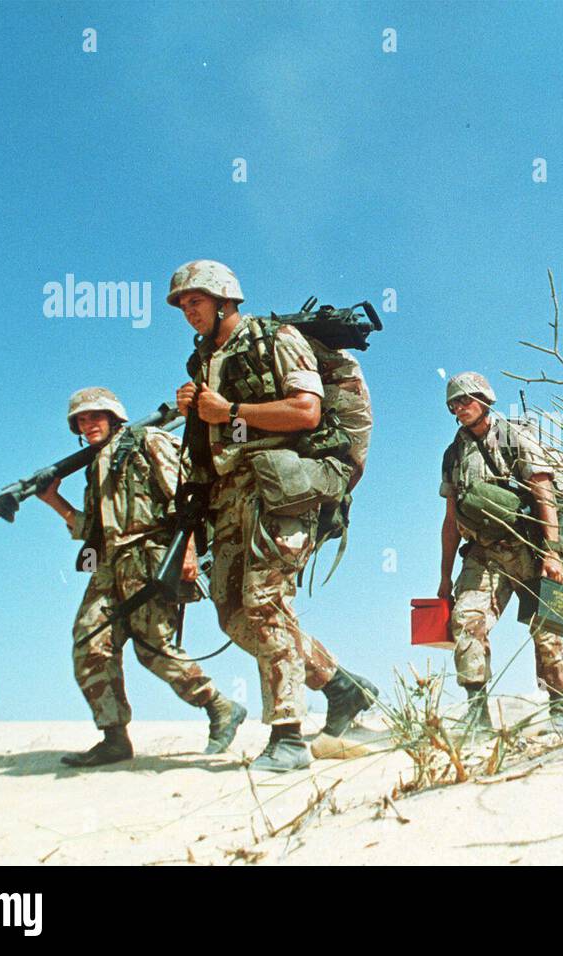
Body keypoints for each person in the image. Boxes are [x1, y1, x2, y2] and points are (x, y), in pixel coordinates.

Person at [170, 260, 378, 772]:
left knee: (266, 605)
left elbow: (306, 411)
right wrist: (198, 414)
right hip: (227, 495)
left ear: (225, 300)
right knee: (233, 615)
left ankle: (287, 737)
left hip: (281, 489)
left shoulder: (277, 339)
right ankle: (341, 686)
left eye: (196, 301)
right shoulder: (204, 361)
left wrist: (230, 412)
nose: (188, 312)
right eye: (183, 305)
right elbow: (209, 444)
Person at [36, 387, 247, 767]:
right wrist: (54, 500)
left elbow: (186, 496)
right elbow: (93, 529)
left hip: (148, 557)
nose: (88, 424)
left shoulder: (147, 440)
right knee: (89, 643)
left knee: (153, 649)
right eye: (81, 420)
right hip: (109, 565)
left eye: (95, 416)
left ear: (113, 416)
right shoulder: (96, 465)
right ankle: (114, 738)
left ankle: (219, 706)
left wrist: (188, 552)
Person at [437, 372, 563, 736]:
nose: (459, 408)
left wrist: (552, 552)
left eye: (465, 400)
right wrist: (444, 578)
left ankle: (558, 710)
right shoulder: (453, 455)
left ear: (484, 400)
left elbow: (544, 492)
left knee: (546, 629)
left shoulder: (513, 437)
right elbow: (451, 521)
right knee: (466, 621)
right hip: (484, 553)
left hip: (528, 547)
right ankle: (477, 714)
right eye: (453, 404)